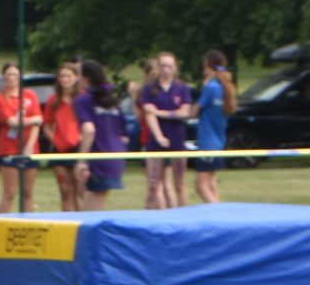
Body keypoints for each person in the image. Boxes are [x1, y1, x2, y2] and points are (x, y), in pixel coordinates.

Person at [138, 54, 195, 209]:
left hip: (177, 138)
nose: (166, 70)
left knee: (179, 184)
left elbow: (184, 112)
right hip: (155, 141)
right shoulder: (150, 88)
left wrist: (160, 112)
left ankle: (183, 217)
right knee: (154, 184)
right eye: (163, 66)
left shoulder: (181, 88)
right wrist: (159, 136)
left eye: (169, 66)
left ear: (175, 68)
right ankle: (159, 217)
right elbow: (148, 112)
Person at [73, 59, 126, 210]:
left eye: (79, 75)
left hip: (99, 157)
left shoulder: (83, 100)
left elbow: (89, 130)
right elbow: (122, 132)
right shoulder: (112, 99)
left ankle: (87, 233)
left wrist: (81, 161)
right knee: (89, 196)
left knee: (92, 207)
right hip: (116, 155)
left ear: (86, 78)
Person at [0, 62, 41, 213]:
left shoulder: (30, 95)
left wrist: (29, 146)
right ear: (4, 78)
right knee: (10, 192)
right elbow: (12, 122)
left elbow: (39, 121)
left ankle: (29, 224)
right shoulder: (0, 97)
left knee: (27, 192)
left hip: (30, 148)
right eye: (9, 75)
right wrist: (32, 120)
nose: (12, 78)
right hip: (9, 148)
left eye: (15, 75)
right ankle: (0, 225)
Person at [190, 51, 235, 205]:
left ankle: (218, 215)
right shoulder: (227, 88)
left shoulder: (211, 88)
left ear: (210, 69)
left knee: (200, 186)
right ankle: (220, 214)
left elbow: (194, 112)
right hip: (219, 141)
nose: (203, 72)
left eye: (205, 68)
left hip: (207, 143)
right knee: (211, 183)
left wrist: (203, 86)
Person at [42, 62, 85, 211]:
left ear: (75, 78)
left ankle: (82, 224)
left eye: (68, 76)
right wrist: (54, 139)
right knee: (65, 191)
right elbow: (47, 125)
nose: (64, 79)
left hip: (78, 148)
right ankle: (68, 223)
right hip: (60, 150)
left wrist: (82, 138)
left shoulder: (82, 99)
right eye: (61, 76)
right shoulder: (53, 101)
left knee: (80, 190)